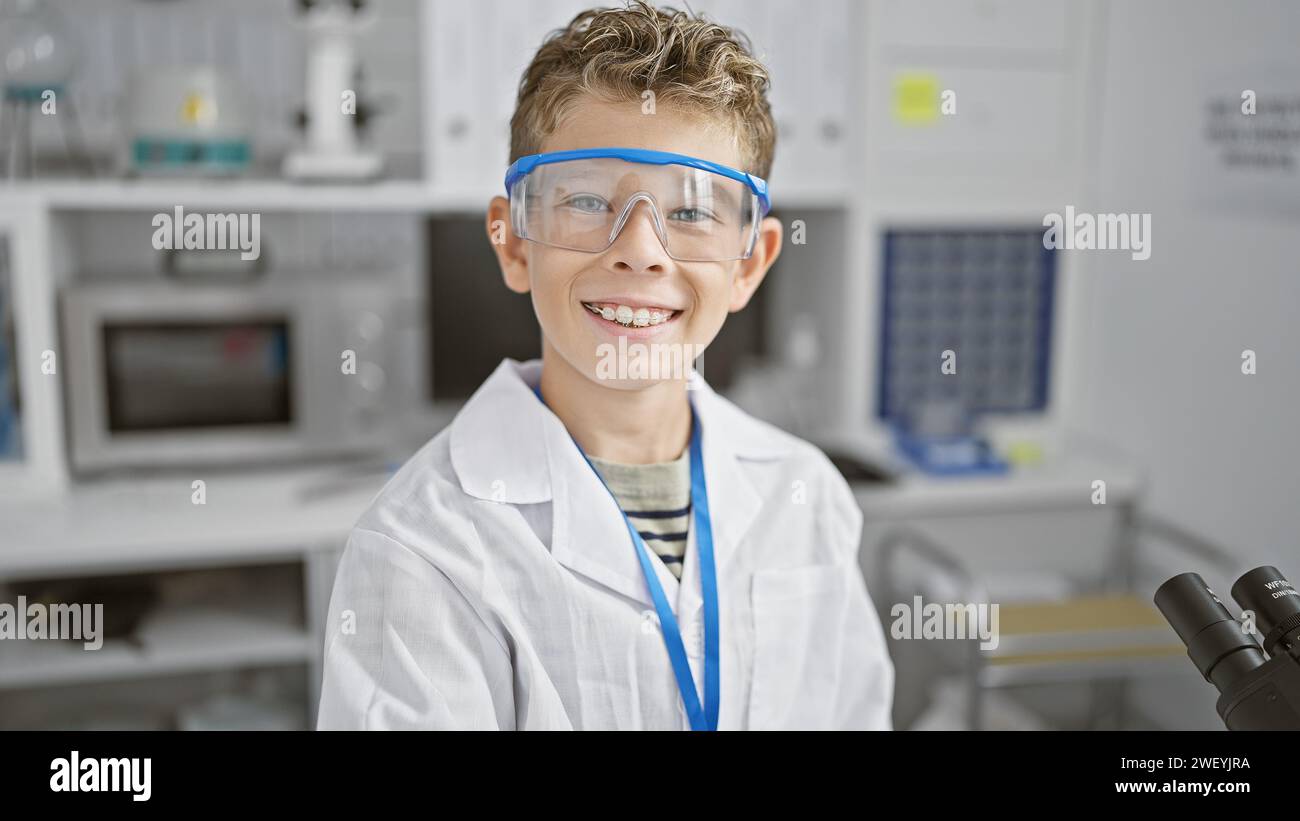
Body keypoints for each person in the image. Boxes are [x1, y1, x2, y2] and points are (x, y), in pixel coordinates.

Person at [317, 0, 893, 730]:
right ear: (515, 242)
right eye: (588, 199)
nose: (642, 248)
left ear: (751, 263)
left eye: (691, 211)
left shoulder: (807, 498)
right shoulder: (421, 550)